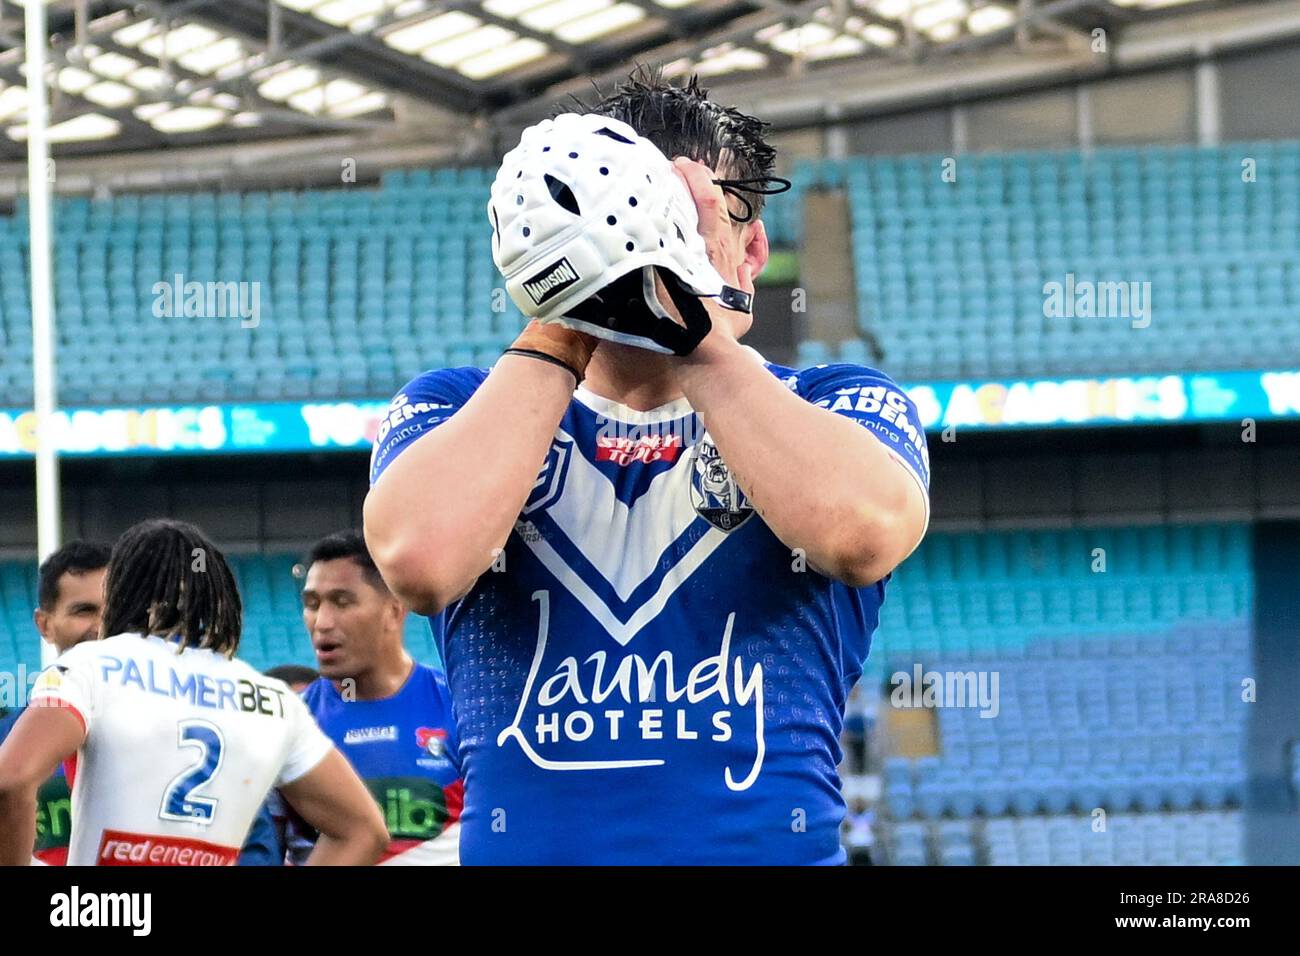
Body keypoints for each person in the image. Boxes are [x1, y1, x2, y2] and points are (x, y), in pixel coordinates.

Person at [363, 69, 930, 864]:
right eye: (620, 211)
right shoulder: (458, 408)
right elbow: (420, 562)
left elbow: (861, 533)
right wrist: (568, 302)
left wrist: (690, 322)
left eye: (675, 216)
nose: (643, 239)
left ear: (752, 247)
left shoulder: (837, 402)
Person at [0, 519, 388, 866]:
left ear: (121, 588)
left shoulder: (90, 666)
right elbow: (364, 830)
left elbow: (11, 779)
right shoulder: (274, 699)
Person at [283, 530, 461, 865]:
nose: (321, 622)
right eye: (312, 604)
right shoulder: (289, 723)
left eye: (342, 601)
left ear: (394, 612)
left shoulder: (456, 708)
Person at [0, 540, 110, 864]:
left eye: (114, 610)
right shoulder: (8, 736)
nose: (101, 627)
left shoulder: (176, 726)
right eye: (84, 611)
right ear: (44, 625)